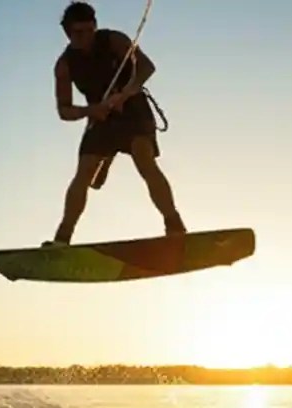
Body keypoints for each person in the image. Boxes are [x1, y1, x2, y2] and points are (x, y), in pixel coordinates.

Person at [46, 1, 185, 247]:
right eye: (79, 33)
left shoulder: (114, 40)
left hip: (132, 108)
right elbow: (64, 111)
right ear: (67, 34)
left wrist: (125, 93)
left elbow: (146, 67)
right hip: (100, 117)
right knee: (85, 173)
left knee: (144, 158)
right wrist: (93, 110)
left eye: (90, 29)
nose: (87, 37)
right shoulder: (64, 66)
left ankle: (174, 225)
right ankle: (62, 238)